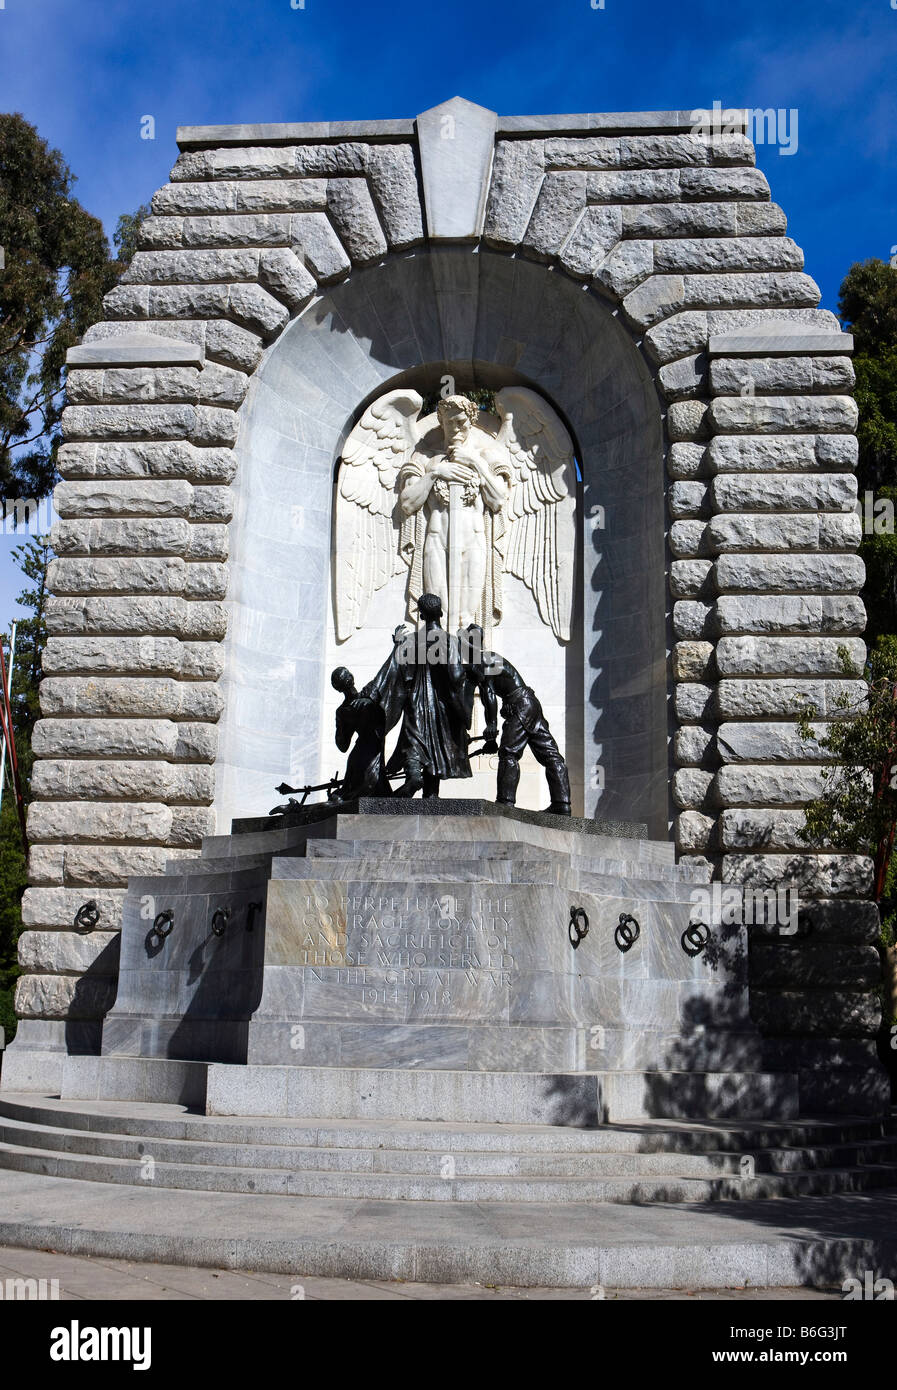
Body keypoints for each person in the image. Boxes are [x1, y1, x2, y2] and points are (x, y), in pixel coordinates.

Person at [363, 594, 472, 799]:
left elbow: (393, 669)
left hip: (415, 702)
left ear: (421, 615)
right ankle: (430, 794)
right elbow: (456, 676)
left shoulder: (411, 641)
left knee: (413, 743)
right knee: (436, 751)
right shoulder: (450, 641)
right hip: (441, 708)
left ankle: (413, 778)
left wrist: (397, 645)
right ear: (441, 613)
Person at [462, 624, 571, 816]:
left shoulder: (484, 661)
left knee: (509, 753)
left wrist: (491, 728)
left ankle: (505, 803)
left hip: (521, 705)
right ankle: (562, 803)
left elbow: (488, 695)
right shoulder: (488, 659)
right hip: (529, 704)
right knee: (551, 754)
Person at [330, 666, 389, 799]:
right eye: (344, 680)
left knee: (373, 790)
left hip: (373, 751)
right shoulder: (344, 711)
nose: (347, 682)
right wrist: (341, 723)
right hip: (362, 754)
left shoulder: (370, 693)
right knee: (363, 792)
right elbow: (343, 746)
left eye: (347, 678)